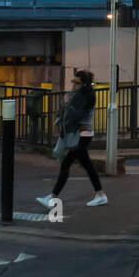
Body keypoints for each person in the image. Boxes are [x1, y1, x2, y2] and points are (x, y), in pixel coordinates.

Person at [38, 69, 107, 209]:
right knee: (87, 166)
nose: (73, 85)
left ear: (84, 84)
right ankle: (100, 195)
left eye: (76, 83)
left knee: (67, 164)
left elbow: (76, 115)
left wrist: (67, 104)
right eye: (73, 82)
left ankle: (53, 198)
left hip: (82, 135)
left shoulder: (88, 96)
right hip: (77, 134)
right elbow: (66, 113)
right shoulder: (76, 95)